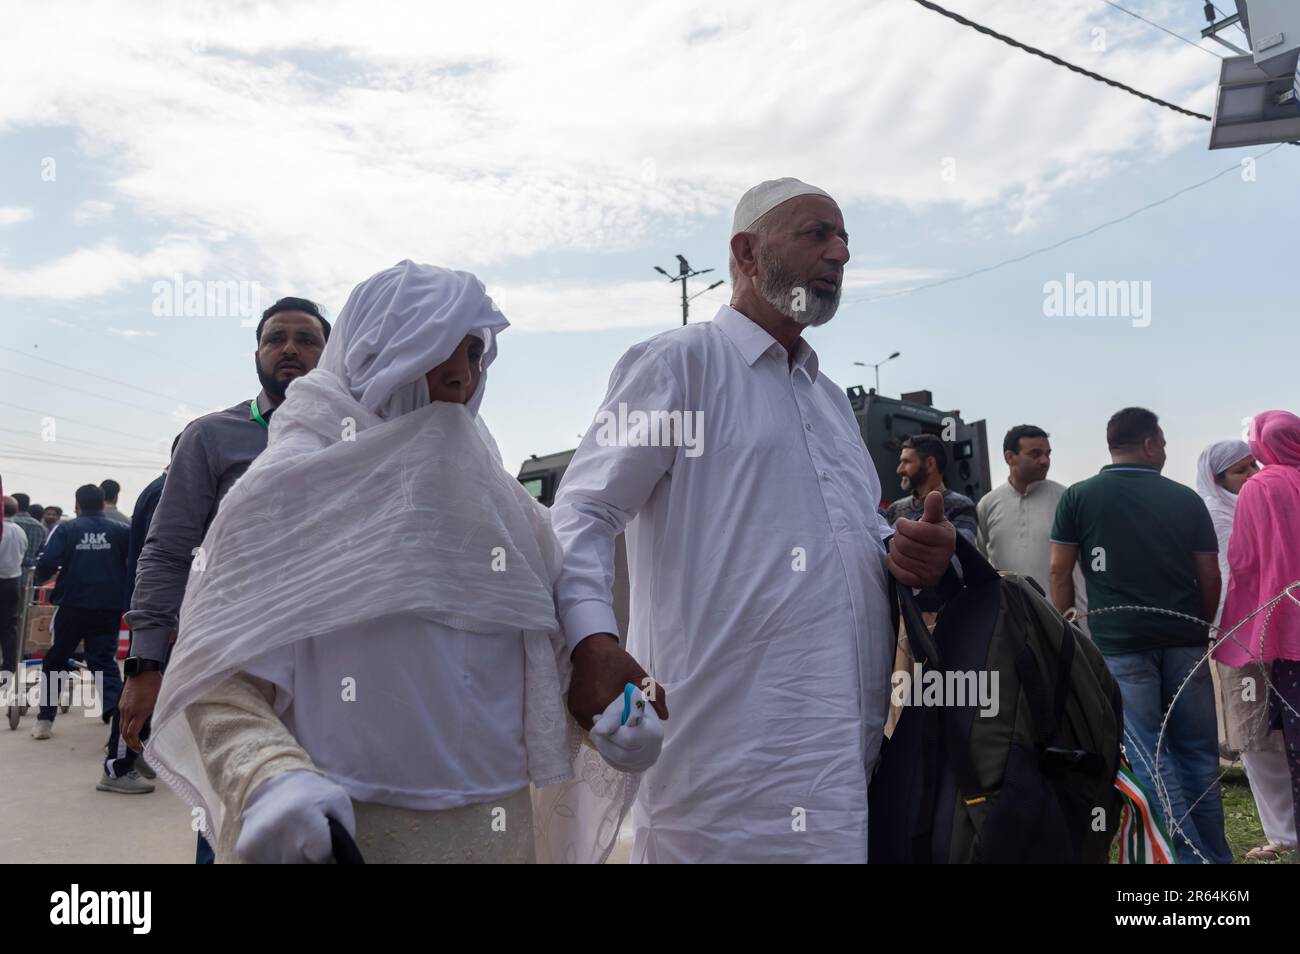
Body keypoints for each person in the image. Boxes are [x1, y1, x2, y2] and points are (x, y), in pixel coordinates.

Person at [147, 261, 656, 864]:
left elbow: (540, 666)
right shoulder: (287, 491)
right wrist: (269, 776)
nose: (462, 376)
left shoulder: (507, 508)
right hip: (342, 836)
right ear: (377, 351)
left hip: (497, 834)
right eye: (439, 349)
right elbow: (217, 678)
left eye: (475, 354)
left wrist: (609, 721)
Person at [552, 178, 957, 863]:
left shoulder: (830, 401)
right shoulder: (681, 364)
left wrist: (911, 551)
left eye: (845, 239)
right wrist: (590, 641)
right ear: (746, 252)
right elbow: (586, 509)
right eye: (817, 234)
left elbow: (856, 538)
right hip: (723, 765)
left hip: (844, 759)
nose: (840, 253)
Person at [119, 296, 330, 859]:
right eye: (275, 338)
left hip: (335, 663)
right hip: (235, 662)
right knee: (237, 816)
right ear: (257, 354)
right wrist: (145, 665)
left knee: (325, 819)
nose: (290, 349)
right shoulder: (213, 436)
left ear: (331, 356)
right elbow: (166, 553)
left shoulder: (356, 434)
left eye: (307, 340)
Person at [1049, 407, 1229, 864]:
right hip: (1184, 639)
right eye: (1163, 443)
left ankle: (1185, 857)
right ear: (1149, 444)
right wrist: (1201, 625)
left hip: (1120, 642)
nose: (1164, 452)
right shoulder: (1185, 499)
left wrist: (1069, 626)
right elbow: (1210, 576)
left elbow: (1058, 570)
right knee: (1199, 753)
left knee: (1149, 752)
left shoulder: (1078, 497)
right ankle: (1211, 855)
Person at [1197, 438, 1292, 859]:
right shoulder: (1212, 516)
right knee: (1254, 734)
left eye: (1254, 465)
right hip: (1238, 636)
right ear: (1217, 479)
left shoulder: (1264, 502)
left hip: (1277, 630)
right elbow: (1223, 579)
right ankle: (1282, 833)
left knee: (1285, 732)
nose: (1252, 475)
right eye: (1241, 470)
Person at [99, 434, 180, 793]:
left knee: (155, 685)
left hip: (158, 610)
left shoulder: (162, 489)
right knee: (142, 683)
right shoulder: (167, 492)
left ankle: (139, 750)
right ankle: (117, 767)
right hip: (159, 612)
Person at [29, 485, 130, 741]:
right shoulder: (121, 530)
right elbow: (135, 561)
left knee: (57, 659)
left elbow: (48, 561)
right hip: (108, 605)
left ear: (77, 505)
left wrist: (42, 579)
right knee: (103, 660)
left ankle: (44, 720)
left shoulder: (67, 529)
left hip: (72, 604)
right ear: (103, 504)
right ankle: (115, 717)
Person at [976, 424, 1087, 622]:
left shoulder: (1066, 499)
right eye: (1035, 454)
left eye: (1047, 454)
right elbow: (982, 563)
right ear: (1010, 457)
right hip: (1011, 624)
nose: (1045, 461)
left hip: (1065, 623)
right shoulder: (988, 504)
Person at [886, 433, 977, 544]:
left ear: (930, 464)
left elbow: (961, 550)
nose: (899, 470)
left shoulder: (961, 506)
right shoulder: (894, 509)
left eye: (907, 462)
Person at [0, 497, 27, 673]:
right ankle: (10, 666)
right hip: (12, 582)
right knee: (9, 627)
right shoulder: (20, 531)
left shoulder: (2, 530)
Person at [12, 492, 48, 569]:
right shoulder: (41, 527)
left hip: (7, 569)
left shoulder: (8, 524)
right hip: (29, 570)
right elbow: (42, 550)